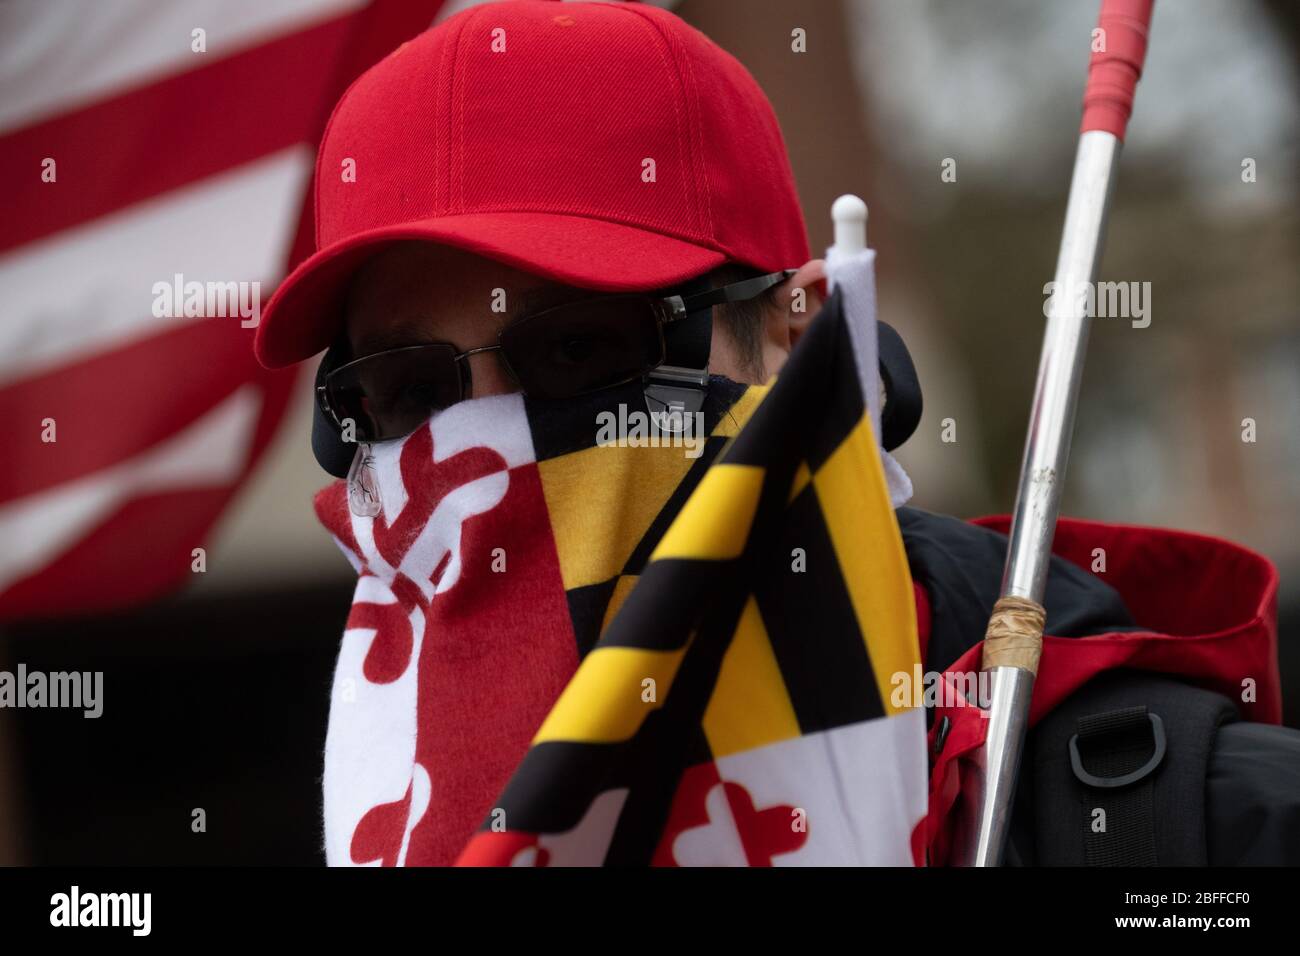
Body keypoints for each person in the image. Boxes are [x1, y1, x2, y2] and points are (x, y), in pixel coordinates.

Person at [255, 0, 1298, 866]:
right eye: (406, 390)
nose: (483, 451)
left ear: (795, 336)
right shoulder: (382, 809)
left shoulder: (1189, 830)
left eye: (576, 350)